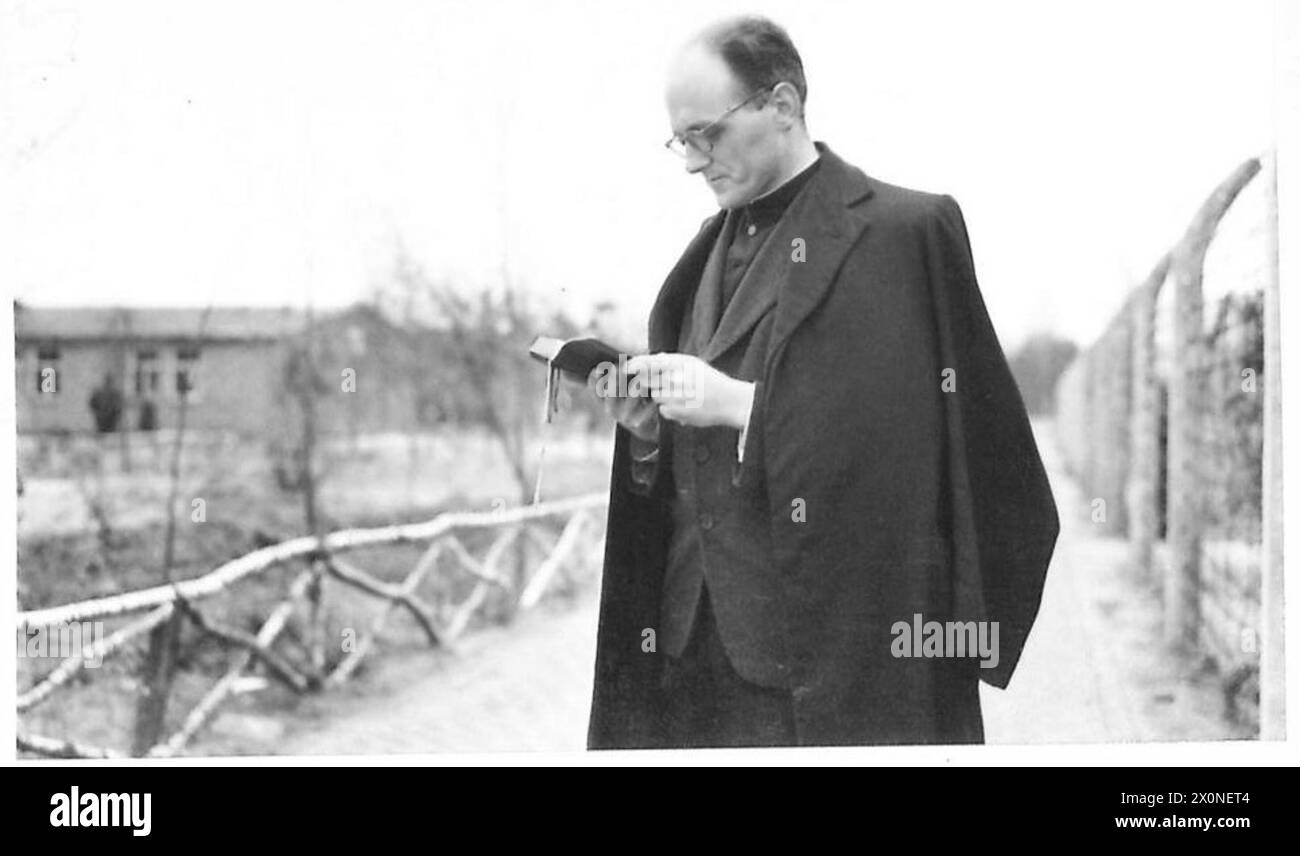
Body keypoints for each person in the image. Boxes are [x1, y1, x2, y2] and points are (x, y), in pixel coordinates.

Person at [586, 15, 1059, 749]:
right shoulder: (694, 263)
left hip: (831, 674)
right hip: (686, 663)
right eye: (681, 140)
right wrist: (651, 432)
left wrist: (742, 407)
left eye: (706, 133)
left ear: (781, 105)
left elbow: (943, 452)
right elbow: (691, 465)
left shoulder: (907, 234)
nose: (691, 162)